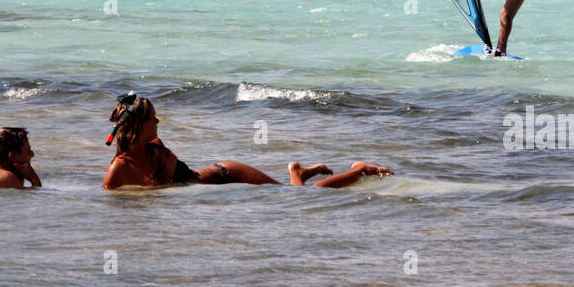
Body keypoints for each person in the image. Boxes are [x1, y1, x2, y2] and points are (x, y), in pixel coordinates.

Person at [101, 94, 391, 189]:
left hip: (228, 172)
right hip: (218, 184)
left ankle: (358, 170)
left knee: (295, 199)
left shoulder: (156, 147)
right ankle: (297, 172)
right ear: (140, 125)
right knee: (291, 197)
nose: (158, 122)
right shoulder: (118, 170)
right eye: (153, 118)